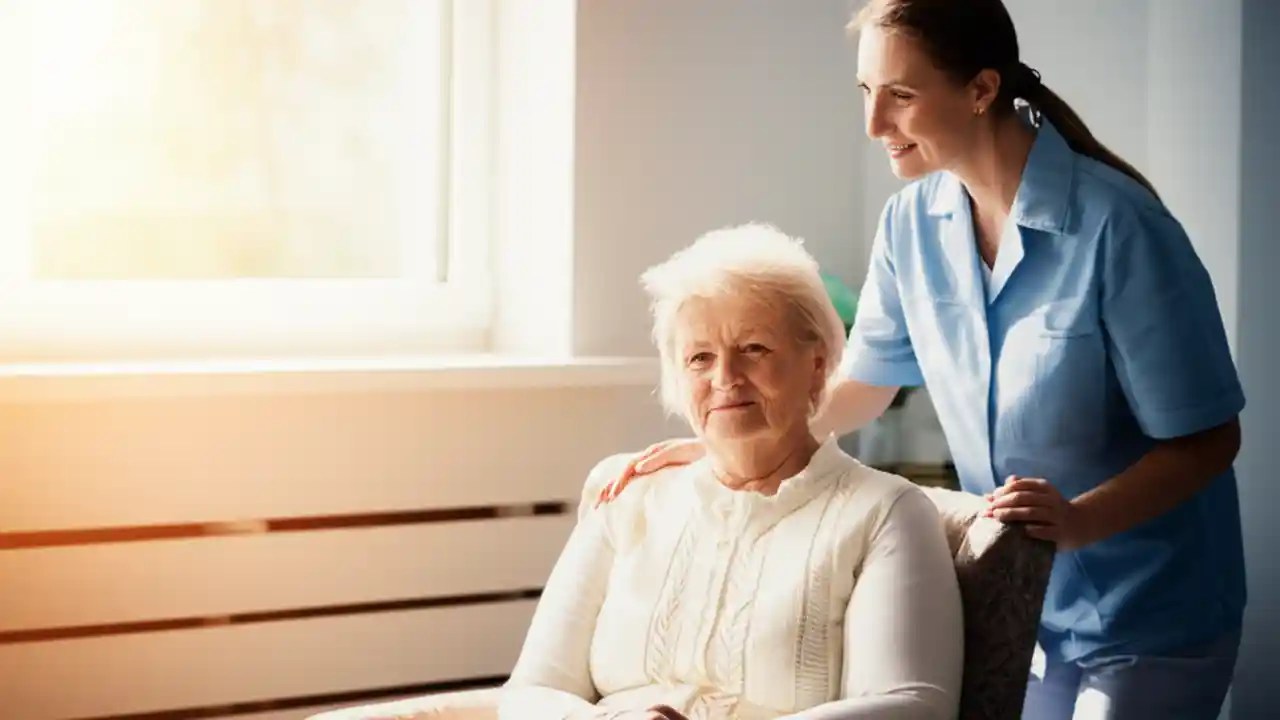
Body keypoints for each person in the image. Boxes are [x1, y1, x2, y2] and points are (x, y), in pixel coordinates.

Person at [599, 2, 1247, 719]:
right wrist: (725, 438)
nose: (875, 124)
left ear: (981, 90)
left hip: (1149, 617)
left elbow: (1209, 439)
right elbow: (865, 388)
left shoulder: (1119, 229)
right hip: (1021, 609)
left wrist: (1079, 522)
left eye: (901, 96)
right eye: (866, 93)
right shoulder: (911, 226)